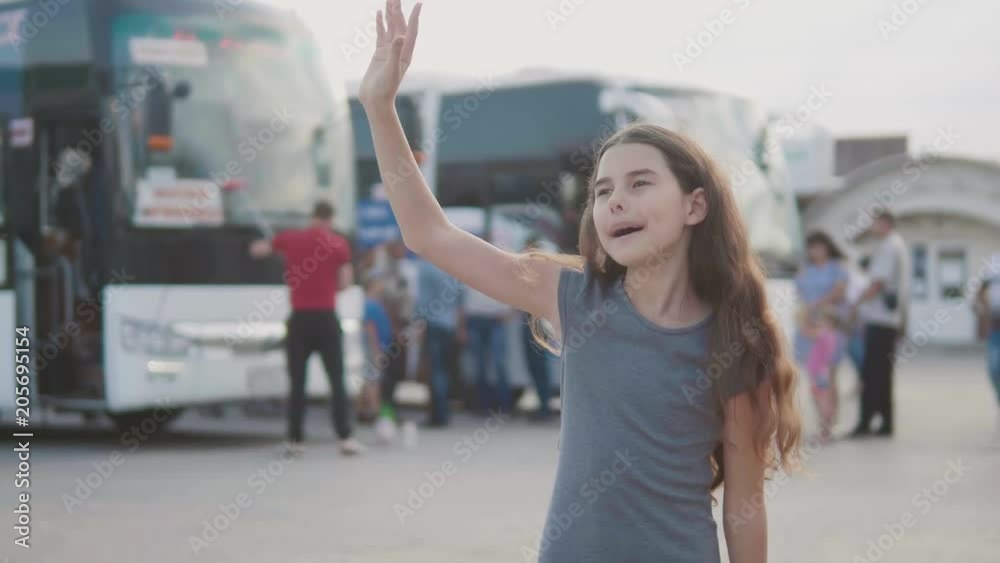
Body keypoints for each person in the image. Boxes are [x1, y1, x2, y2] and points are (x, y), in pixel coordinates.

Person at [357, 4, 800, 559]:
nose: (616, 201)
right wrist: (379, 107)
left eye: (640, 183)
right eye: (603, 190)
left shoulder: (736, 341)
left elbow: (743, 505)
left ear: (695, 205)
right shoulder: (573, 295)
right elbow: (429, 235)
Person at [249, 200, 364, 455]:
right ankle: (345, 437)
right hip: (326, 318)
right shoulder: (338, 244)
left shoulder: (290, 238)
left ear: (312, 216)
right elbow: (346, 283)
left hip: (299, 319)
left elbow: (258, 250)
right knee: (336, 380)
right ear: (330, 219)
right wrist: (326, 286)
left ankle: (295, 440)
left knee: (297, 383)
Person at [850, 211, 909, 438]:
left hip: (881, 320)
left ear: (885, 224)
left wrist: (855, 304)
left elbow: (877, 283)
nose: (871, 227)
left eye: (874, 223)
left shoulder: (889, 246)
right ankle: (884, 423)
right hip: (885, 320)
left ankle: (867, 422)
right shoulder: (892, 245)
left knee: (872, 373)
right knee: (881, 374)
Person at [414, 256, 465, 427]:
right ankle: (444, 412)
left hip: (433, 323)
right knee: (445, 369)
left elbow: (422, 301)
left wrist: (419, 324)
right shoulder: (453, 265)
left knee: (435, 370)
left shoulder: (426, 267)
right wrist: (460, 326)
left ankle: (437, 415)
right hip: (450, 325)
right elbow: (460, 298)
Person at [358, 270, 397, 442]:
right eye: (379, 281)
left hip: (378, 347)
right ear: (372, 284)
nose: (382, 285)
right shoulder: (369, 304)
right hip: (374, 348)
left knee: (369, 380)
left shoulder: (374, 302)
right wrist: (376, 351)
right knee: (374, 380)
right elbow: (370, 329)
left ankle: (362, 410)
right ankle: (376, 413)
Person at [465, 284, 515, 415]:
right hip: (475, 319)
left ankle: (504, 406)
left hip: (496, 319)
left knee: (499, 363)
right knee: (479, 365)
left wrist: (510, 311)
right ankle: (483, 406)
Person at [522, 235, 554, 421]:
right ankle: (543, 403)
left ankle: (544, 405)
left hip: (538, 322)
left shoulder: (539, 270)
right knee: (535, 366)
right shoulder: (536, 269)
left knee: (539, 366)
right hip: (533, 321)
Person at [802, 306, 841, 442]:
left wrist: (806, 316)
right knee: (821, 402)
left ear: (830, 322)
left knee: (822, 403)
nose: (820, 322)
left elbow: (807, 332)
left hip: (820, 374)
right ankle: (826, 431)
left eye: (823, 320)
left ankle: (825, 433)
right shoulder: (831, 335)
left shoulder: (825, 335)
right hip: (820, 374)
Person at [974, 254, 1000, 407]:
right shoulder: (995, 262)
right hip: (996, 327)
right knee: (994, 369)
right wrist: (984, 311)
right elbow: (981, 291)